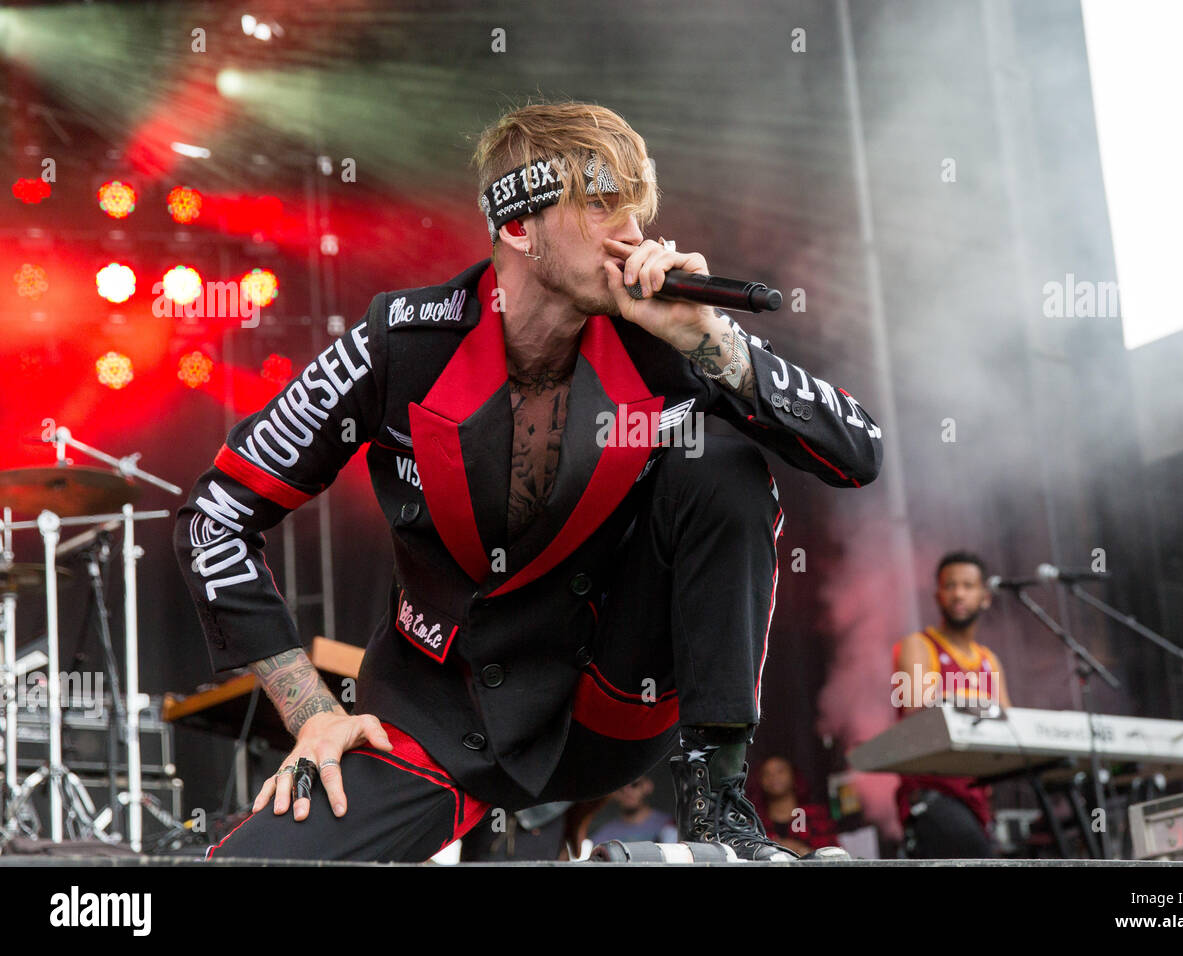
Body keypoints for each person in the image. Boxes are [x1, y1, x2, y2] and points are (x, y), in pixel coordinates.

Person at [176, 100, 883, 863]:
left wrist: (717, 346)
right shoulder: (403, 343)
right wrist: (312, 711)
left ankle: (719, 805)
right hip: (438, 715)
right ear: (518, 226)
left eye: (636, 211)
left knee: (718, 462)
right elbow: (215, 516)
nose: (634, 237)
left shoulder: (669, 341)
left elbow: (858, 450)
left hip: (611, 703)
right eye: (602, 207)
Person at [891, 550, 1011, 858]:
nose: (958, 593)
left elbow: (1009, 728)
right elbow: (916, 714)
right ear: (938, 595)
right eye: (950, 585)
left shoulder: (989, 659)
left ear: (985, 597)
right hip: (933, 795)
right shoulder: (919, 646)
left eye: (968, 586)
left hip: (978, 799)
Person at [748, 755, 841, 857]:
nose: (773, 777)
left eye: (780, 771)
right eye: (766, 773)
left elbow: (835, 856)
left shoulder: (816, 815)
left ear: (793, 775)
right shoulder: (753, 822)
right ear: (760, 781)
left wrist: (802, 851)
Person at [587, 777, 677, 846]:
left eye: (634, 784)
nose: (628, 792)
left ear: (647, 786)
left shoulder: (669, 825)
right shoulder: (604, 836)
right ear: (613, 793)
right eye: (621, 787)